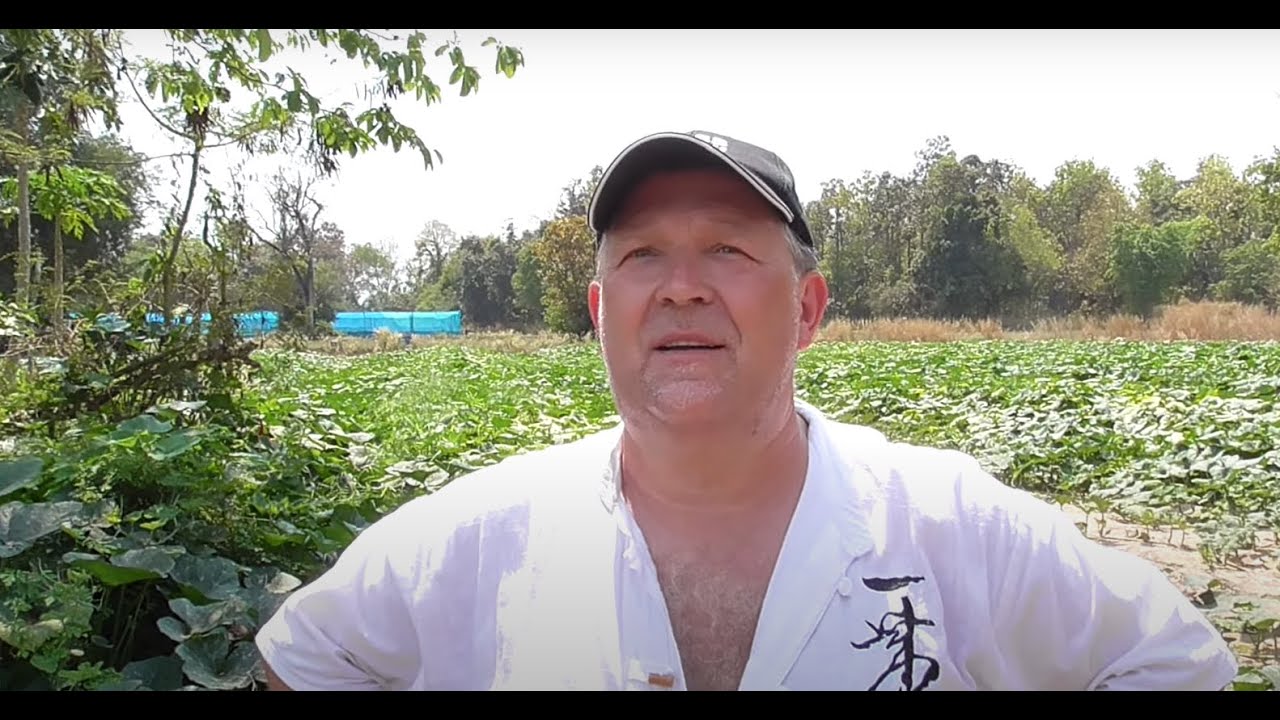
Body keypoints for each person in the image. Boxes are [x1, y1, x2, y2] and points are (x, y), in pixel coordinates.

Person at [254, 129, 1240, 691]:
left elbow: (1171, 660)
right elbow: (306, 662)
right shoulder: (470, 540)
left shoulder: (953, 526)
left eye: (726, 250)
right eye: (642, 256)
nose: (680, 287)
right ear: (599, 312)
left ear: (806, 310)